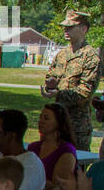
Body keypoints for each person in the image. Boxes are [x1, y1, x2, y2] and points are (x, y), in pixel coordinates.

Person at [41, 9, 100, 151]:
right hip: (56, 123)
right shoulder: (61, 54)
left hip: (76, 126)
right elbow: (51, 75)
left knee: (75, 165)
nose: (66, 30)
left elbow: (85, 92)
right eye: (65, 27)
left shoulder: (91, 57)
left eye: (70, 27)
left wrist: (58, 93)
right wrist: (50, 84)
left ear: (83, 29)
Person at [29, 103, 79, 190]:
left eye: (46, 118)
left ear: (59, 122)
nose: (41, 121)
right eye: (40, 117)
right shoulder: (33, 147)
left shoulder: (66, 150)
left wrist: (32, 177)